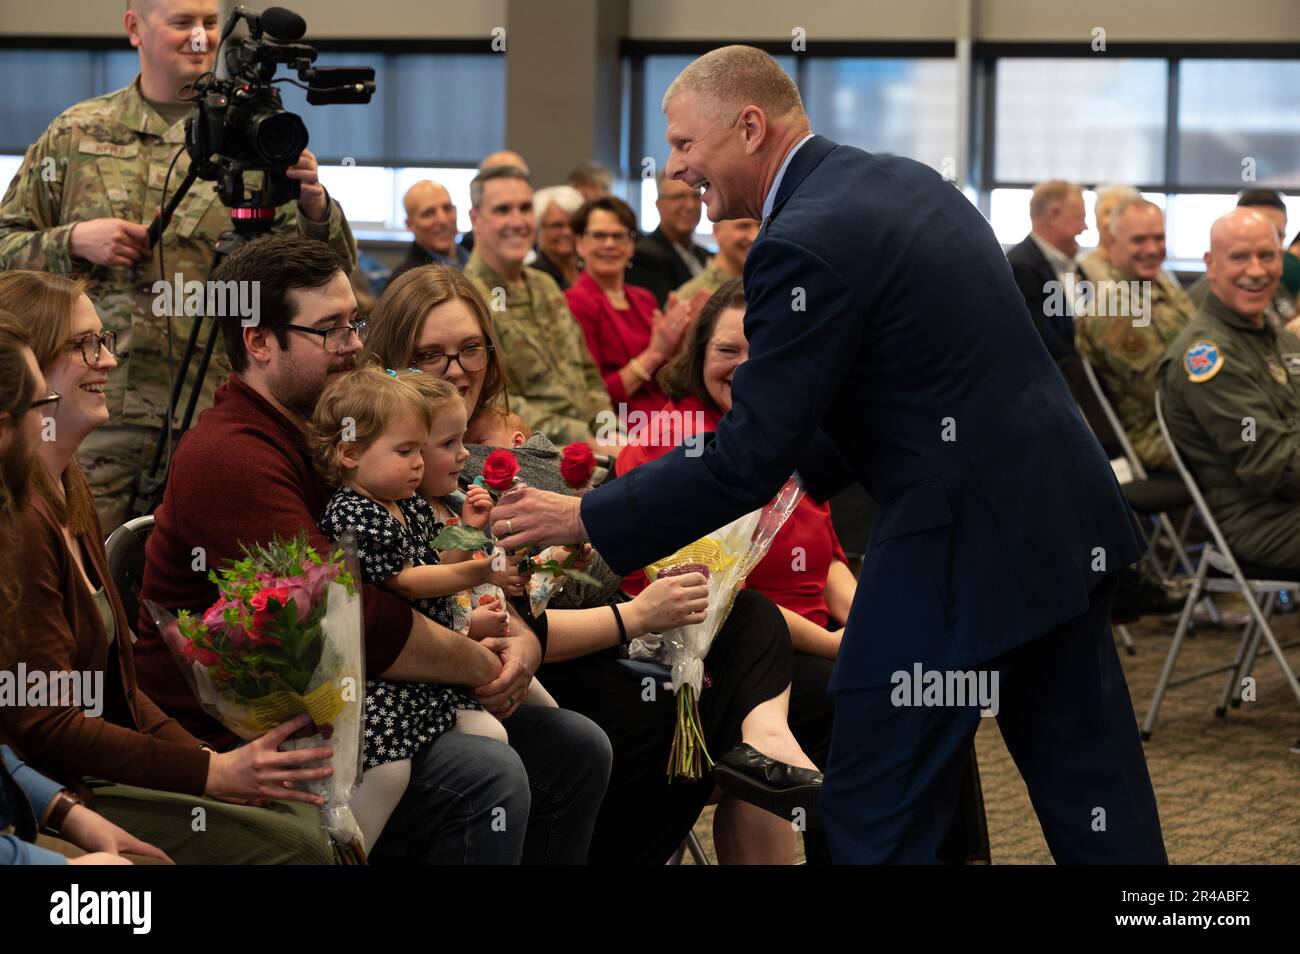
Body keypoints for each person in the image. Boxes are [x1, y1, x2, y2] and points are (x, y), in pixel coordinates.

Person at [492, 44, 1166, 864]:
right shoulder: (903, 179)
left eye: (683, 145)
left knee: (872, 800)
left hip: (957, 543)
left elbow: (749, 452)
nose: (674, 170)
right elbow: (894, 386)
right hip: (1060, 522)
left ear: (749, 127)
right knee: (1094, 788)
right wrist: (783, 486)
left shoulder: (800, 240)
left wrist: (589, 513)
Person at [132, 233, 610, 864]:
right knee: (487, 775)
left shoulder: (338, 424)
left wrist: (517, 635)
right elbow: (347, 618)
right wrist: (482, 664)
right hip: (254, 730)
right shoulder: (233, 454)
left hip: (358, 696)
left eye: (354, 321)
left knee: (578, 748)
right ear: (258, 341)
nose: (356, 343)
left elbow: (431, 541)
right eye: (330, 329)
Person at [364, 263, 832, 865]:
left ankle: (769, 746)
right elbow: (507, 615)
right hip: (526, 665)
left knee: (776, 648)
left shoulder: (512, 437)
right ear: (393, 363)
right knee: (693, 708)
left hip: (592, 623)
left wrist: (587, 547)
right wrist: (631, 608)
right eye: (432, 355)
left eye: (470, 349)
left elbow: (587, 559)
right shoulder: (406, 467)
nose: (458, 370)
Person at [0, 271, 342, 864]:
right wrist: (207, 773)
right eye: (85, 344)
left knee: (300, 813)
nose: (107, 358)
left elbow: (123, 690)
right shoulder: (22, 519)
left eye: (104, 338)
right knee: (295, 845)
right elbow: (42, 723)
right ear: (28, 365)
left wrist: (215, 767)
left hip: (88, 766)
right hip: (55, 787)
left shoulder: (67, 485)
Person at [0, 0, 357, 530]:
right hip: (97, 412)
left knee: (214, 581)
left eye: (210, 24)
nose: (199, 38)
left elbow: (329, 286)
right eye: (182, 23)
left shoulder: (254, 139)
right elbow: (5, 244)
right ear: (134, 28)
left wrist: (315, 209)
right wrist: (72, 240)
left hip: (219, 408)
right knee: (86, 566)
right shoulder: (77, 134)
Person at [1158, 208, 1300, 571]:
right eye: (1239, 257)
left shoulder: (1277, 337)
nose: (1256, 270)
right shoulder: (1208, 357)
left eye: (1266, 256)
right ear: (1211, 264)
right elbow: (1273, 466)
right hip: (1263, 520)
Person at [462, 165, 616, 448]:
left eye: (525, 208)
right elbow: (490, 402)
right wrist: (586, 438)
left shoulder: (544, 284)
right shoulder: (465, 297)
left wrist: (607, 429)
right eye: (503, 210)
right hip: (532, 450)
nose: (517, 222)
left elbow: (587, 372)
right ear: (475, 219)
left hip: (596, 443)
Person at [1075, 196, 1195, 471]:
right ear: (1113, 243)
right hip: (1163, 435)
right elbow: (1163, 391)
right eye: (1139, 240)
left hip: (1194, 420)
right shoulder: (1113, 309)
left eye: (1159, 238)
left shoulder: (1159, 285)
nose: (1152, 249)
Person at [564, 195, 699, 419]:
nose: (609, 244)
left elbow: (667, 377)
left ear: (631, 245)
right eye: (599, 236)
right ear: (579, 244)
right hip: (618, 427)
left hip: (667, 416)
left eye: (619, 236)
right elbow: (591, 397)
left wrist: (681, 343)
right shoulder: (573, 303)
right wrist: (655, 354)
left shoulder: (644, 298)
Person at [1186, 189, 1296, 326]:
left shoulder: (1272, 284)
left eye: (1277, 235)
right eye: (1256, 231)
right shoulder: (1204, 298)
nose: (1268, 241)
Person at [1006, 180, 1087, 362]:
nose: (1085, 227)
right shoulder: (1020, 267)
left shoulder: (1073, 266)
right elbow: (1044, 344)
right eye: (1080, 217)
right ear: (1053, 214)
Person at [626, 171, 711, 307]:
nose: (690, 205)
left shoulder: (707, 256)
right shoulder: (642, 257)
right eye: (679, 197)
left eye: (696, 197)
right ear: (659, 205)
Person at [392, 180, 468, 280]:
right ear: (410, 225)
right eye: (429, 213)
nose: (443, 220)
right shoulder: (407, 283)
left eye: (447, 208)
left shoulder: (475, 256)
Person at [673, 218, 760, 302]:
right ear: (717, 231)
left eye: (761, 226)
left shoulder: (765, 284)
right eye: (743, 226)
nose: (756, 236)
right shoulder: (688, 299)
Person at [531, 185, 585, 290]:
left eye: (572, 224)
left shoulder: (591, 272)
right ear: (538, 231)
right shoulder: (532, 279)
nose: (567, 232)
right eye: (557, 225)